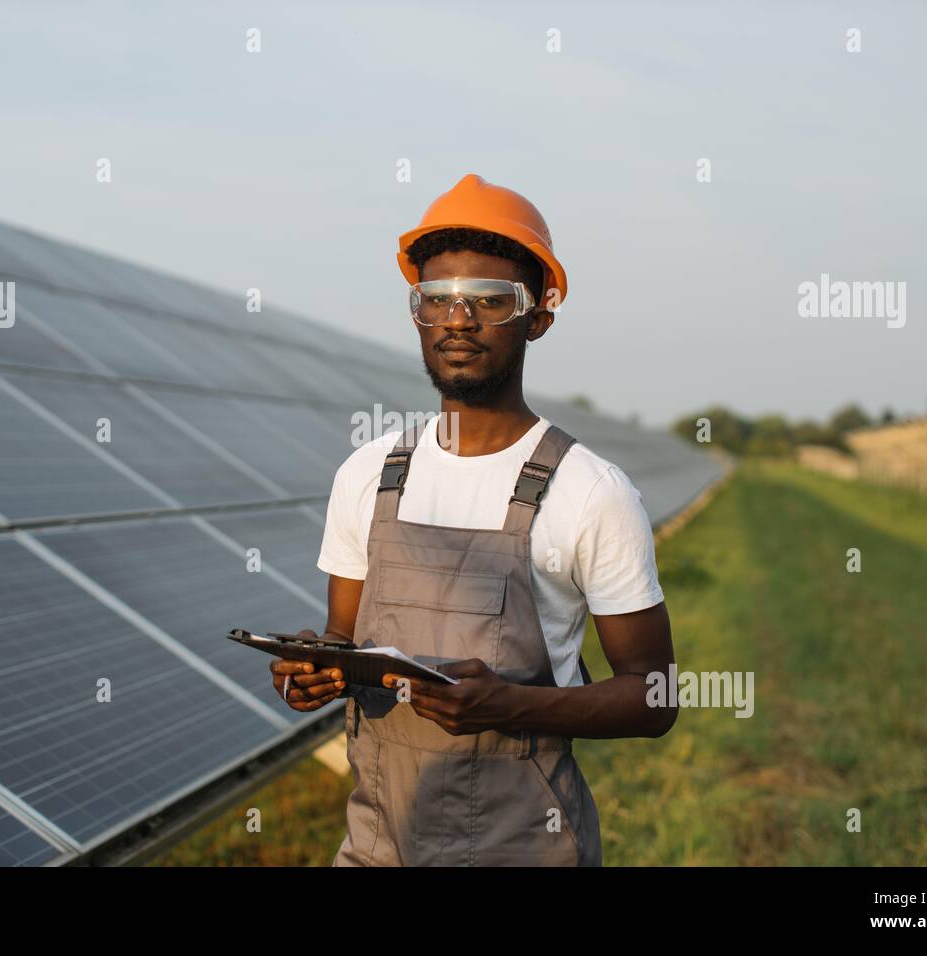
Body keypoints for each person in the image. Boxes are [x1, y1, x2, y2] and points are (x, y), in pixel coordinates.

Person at [270, 173, 677, 866]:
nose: (458, 322)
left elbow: (654, 696)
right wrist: (315, 670)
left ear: (539, 316)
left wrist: (509, 705)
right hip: (374, 848)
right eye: (437, 301)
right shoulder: (367, 476)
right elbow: (344, 639)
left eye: (490, 301)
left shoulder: (589, 491)